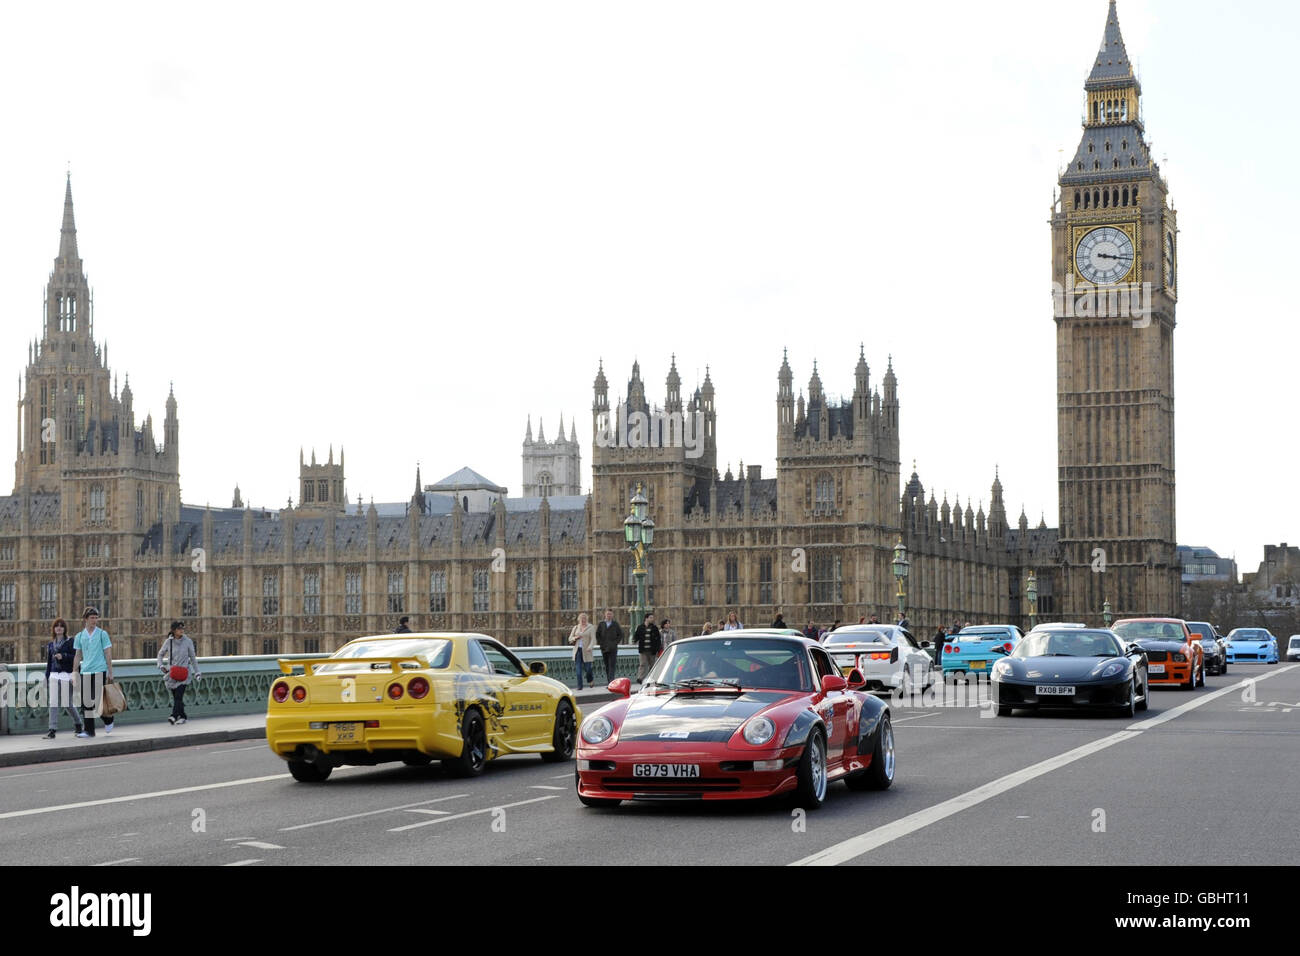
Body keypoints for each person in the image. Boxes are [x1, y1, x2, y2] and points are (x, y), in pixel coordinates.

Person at [71, 607, 113, 737]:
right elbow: (78, 655)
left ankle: (108, 719)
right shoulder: (79, 636)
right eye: (92, 618)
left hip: (100, 670)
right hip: (86, 671)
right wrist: (74, 672)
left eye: (96, 617)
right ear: (85, 619)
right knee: (86, 702)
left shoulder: (102, 634)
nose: (95, 620)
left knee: (96, 701)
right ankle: (89, 730)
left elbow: (108, 653)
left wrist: (110, 671)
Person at [43, 619, 83, 739]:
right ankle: (52, 730)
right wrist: (46, 677)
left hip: (67, 675)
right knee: (53, 703)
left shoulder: (70, 642)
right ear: (54, 629)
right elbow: (49, 663)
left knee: (67, 703)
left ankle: (78, 723)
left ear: (64, 629)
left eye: (61, 626)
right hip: (54, 675)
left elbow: (76, 657)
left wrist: (63, 656)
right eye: (57, 626)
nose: (59, 628)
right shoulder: (51, 645)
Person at [157, 621, 201, 725]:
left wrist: (197, 672)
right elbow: (160, 655)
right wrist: (161, 665)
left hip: (184, 673)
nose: (182, 630)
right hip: (172, 674)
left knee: (178, 696)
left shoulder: (188, 641)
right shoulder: (169, 642)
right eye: (179, 628)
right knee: (177, 698)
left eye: (182, 628)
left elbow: (193, 658)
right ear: (173, 630)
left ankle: (173, 716)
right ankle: (183, 716)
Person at [568, 612, 596, 690]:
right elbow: (570, 639)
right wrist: (576, 638)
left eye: (584, 618)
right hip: (578, 651)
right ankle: (580, 686)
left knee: (588, 670)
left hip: (587, 651)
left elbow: (593, 639)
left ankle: (590, 680)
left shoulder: (591, 627)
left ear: (586, 619)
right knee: (578, 671)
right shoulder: (576, 628)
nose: (583, 620)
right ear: (579, 620)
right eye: (581, 618)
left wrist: (590, 647)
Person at [595, 608, 624, 683]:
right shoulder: (601, 624)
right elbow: (597, 635)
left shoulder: (615, 624)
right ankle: (609, 681)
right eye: (608, 614)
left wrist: (615, 643)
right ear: (605, 615)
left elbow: (620, 634)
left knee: (612, 665)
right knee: (607, 665)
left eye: (610, 614)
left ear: (612, 615)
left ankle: (611, 681)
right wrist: (601, 643)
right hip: (604, 647)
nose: (609, 615)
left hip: (613, 648)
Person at [634, 613, 662, 683]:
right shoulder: (640, 627)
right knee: (642, 664)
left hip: (652, 650)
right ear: (646, 618)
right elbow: (636, 636)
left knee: (652, 665)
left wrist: (658, 649)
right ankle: (640, 678)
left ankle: (651, 678)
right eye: (651, 618)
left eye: (652, 618)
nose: (652, 619)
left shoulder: (654, 628)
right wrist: (635, 640)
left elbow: (658, 639)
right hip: (643, 650)